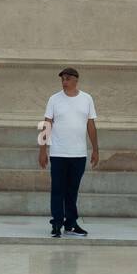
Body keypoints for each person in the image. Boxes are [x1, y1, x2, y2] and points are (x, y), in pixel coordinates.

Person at [37, 67, 98, 239]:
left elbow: (91, 126)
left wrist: (96, 149)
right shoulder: (54, 99)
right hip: (58, 153)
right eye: (62, 79)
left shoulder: (87, 99)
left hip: (78, 154)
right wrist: (43, 150)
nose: (64, 82)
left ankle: (71, 223)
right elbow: (46, 124)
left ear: (76, 80)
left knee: (72, 190)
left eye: (68, 79)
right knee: (57, 189)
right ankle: (56, 223)